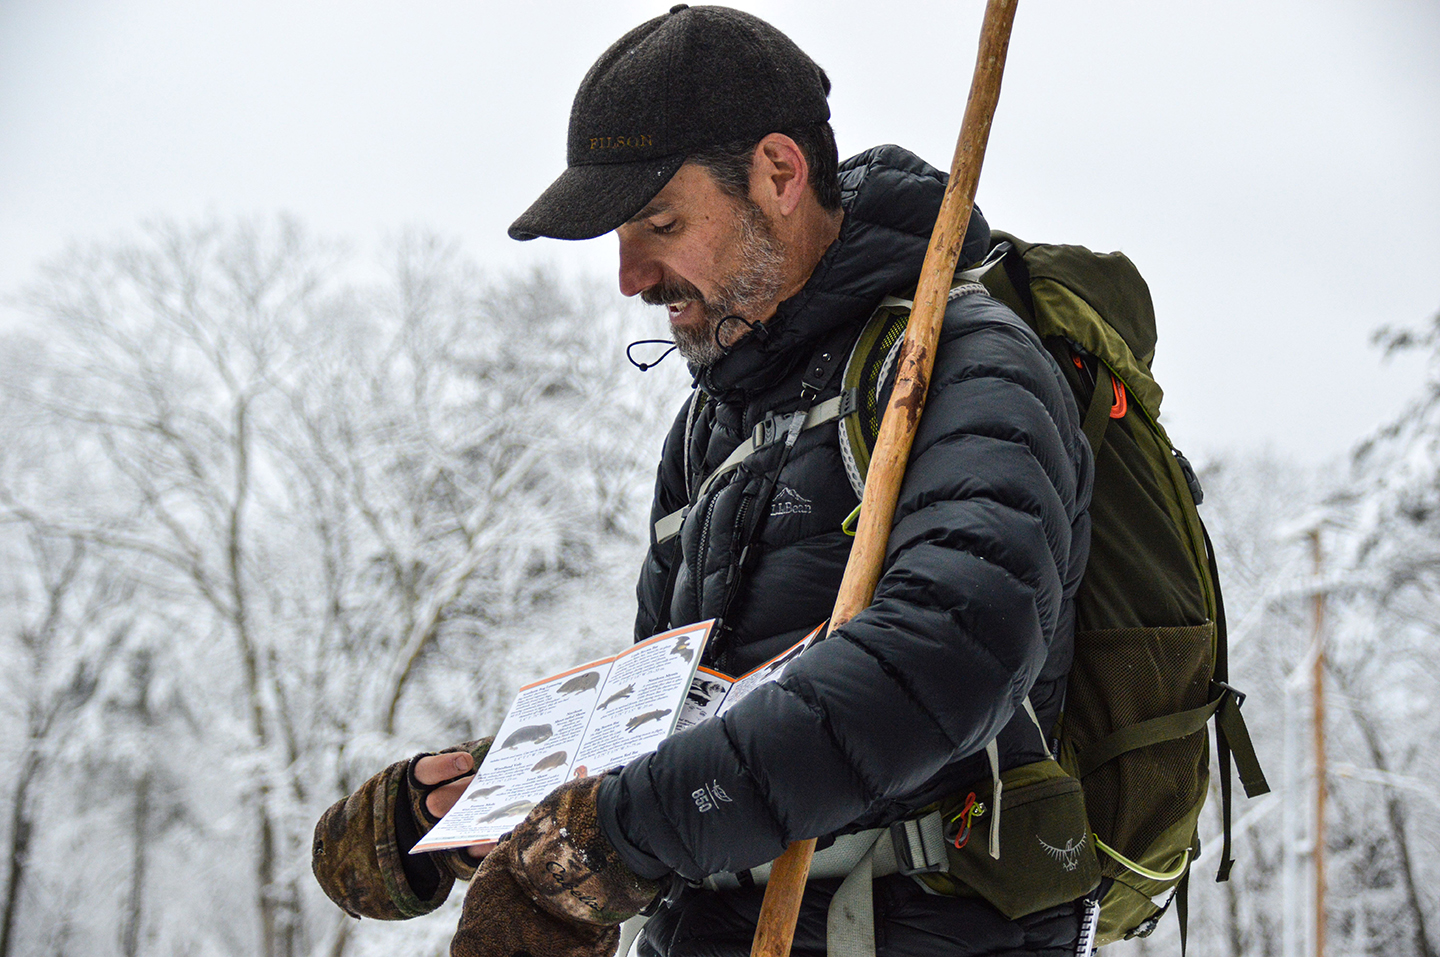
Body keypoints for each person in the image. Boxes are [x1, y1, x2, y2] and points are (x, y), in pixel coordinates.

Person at [312, 6, 1095, 956]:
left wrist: (619, 836)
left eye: (659, 222)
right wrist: (481, 801)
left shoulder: (957, 359)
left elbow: (946, 654)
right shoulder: (710, 432)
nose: (630, 276)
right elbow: (687, 708)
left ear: (777, 173)